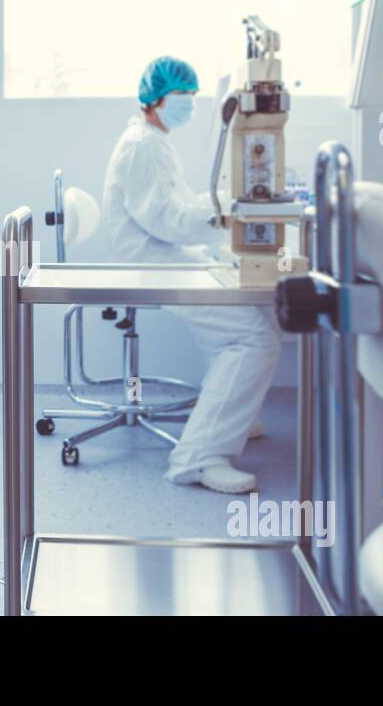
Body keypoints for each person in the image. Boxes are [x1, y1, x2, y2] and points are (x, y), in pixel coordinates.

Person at [101, 56, 280, 494]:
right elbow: (165, 219)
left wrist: (218, 207)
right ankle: (197, 459)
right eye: (183, 96)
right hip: (154, 265)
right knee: (253, 338)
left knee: (252, 325)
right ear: (156, 98)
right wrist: (223, 210)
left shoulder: (152, 140)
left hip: (166, 257)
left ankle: (229, 417)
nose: (189, 104)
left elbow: (174, 208)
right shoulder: (145, 144)